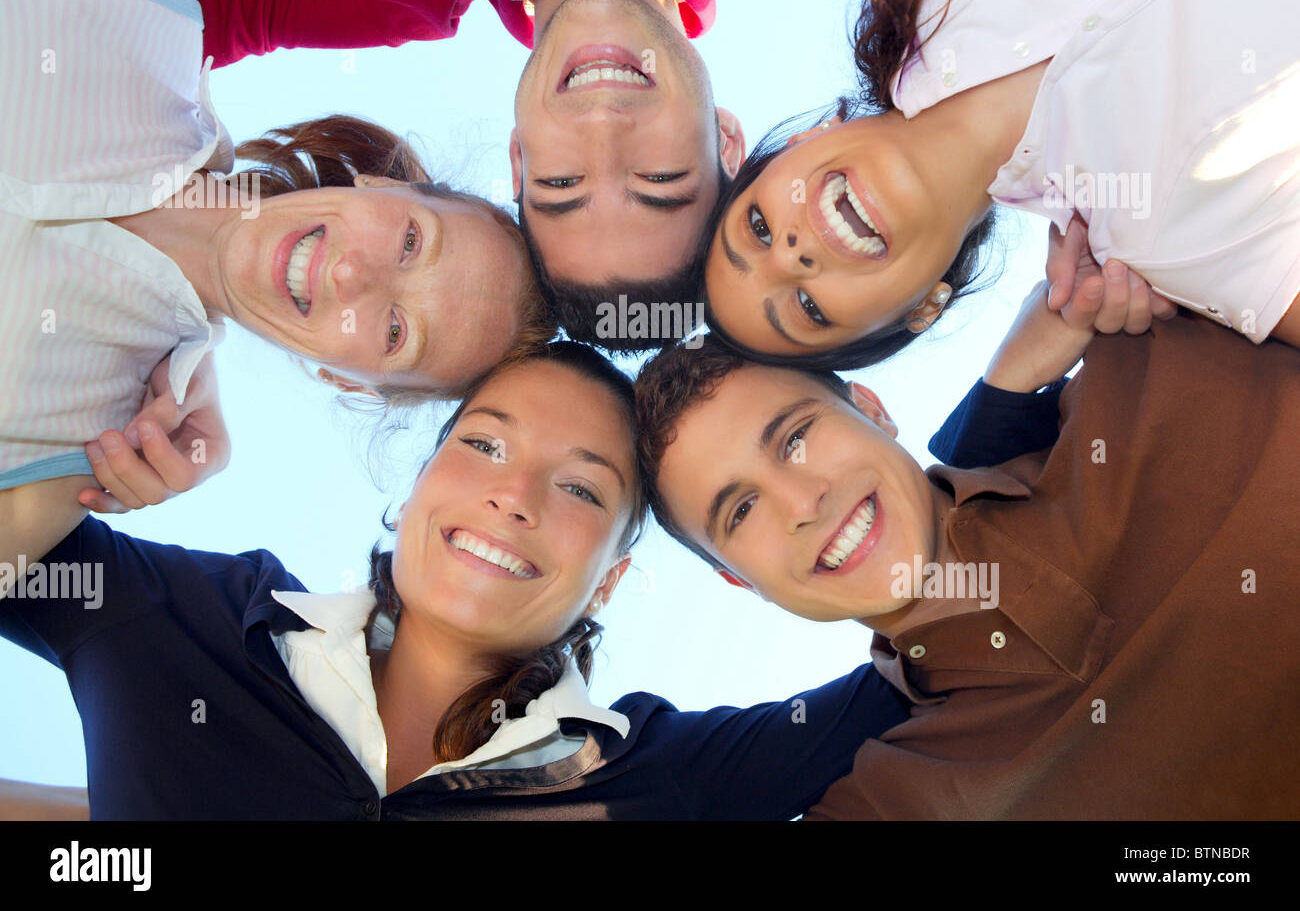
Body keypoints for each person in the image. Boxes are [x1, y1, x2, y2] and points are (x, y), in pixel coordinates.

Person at [0, 342, 911, 820]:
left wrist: (997, 402)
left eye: (583, 488)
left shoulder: (652, 773)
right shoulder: (201, 619)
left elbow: (938, 667)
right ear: (415, 489)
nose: (513, 495)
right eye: (483, 444)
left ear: (609, 581)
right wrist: (172, 352)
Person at [0, 0, 553, 511]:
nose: (353, 275)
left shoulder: (97, 453)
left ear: (344, 381)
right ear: (386, 185)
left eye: (394, 331)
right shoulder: (152, 15)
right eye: (411, 241)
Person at [149, 0, 875, 341]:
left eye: (563, 183)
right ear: (725, 138)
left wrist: (183, 316)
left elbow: (112, 1)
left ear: (520, 158)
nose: (603, 124)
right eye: (656, 175)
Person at [633, 297, 1300, 818]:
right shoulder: (892, 806)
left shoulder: (1156, 361)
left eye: (796, 437)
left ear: (871, 406)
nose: (801, 501)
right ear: (737, 580)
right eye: (741, 511)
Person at [702, 0, 1300, 369]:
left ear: (800, 141)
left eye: (756, 227)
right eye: (808, 308)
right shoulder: (1173, 242)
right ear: (924, 310)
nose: (789, 257)